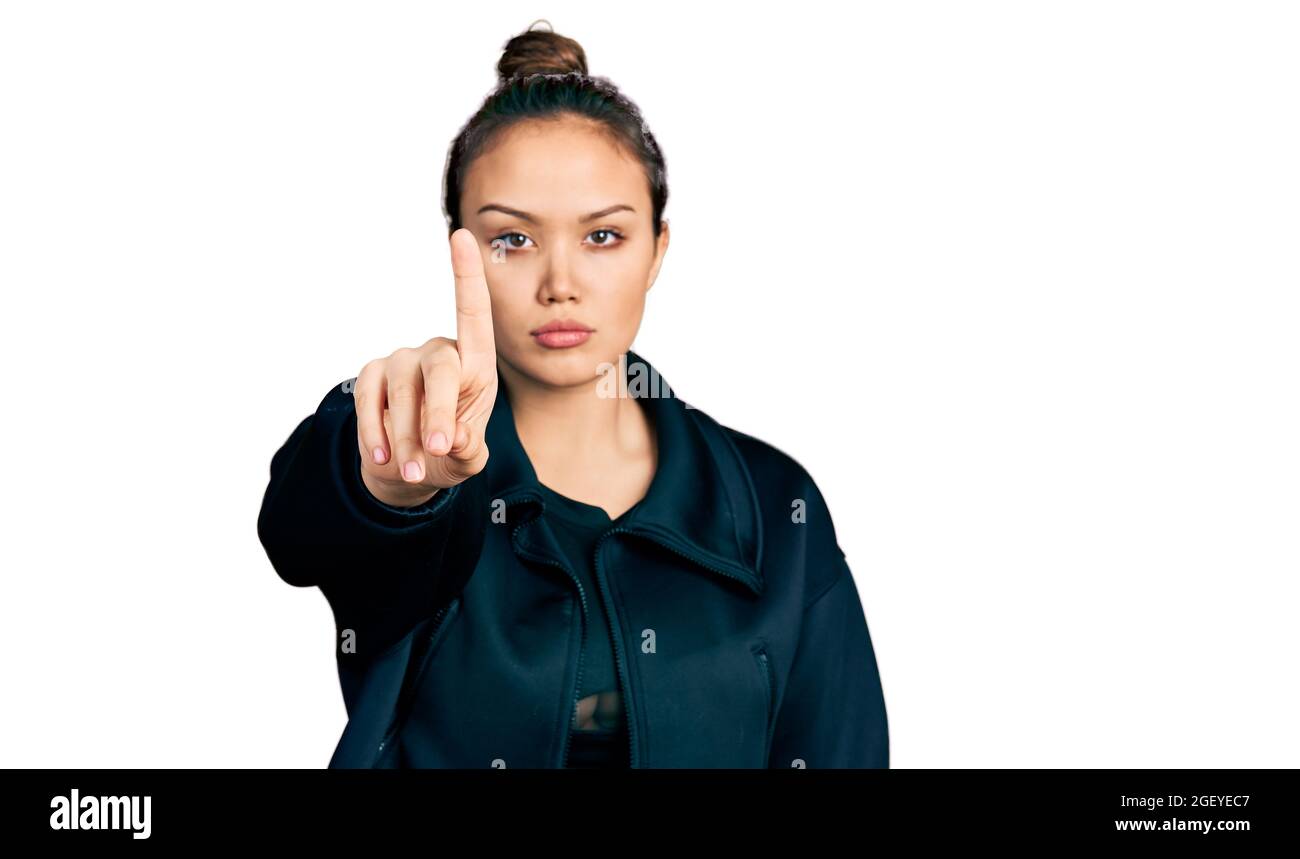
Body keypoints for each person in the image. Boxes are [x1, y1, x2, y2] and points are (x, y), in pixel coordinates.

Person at [257, 20, 888, 769]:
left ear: (658, 248)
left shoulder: (774, 506)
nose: (560, 284)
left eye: (603, 237)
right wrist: (391, 485)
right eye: (513, 239)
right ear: (459, 246)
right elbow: (300, 526)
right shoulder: (418, 452)